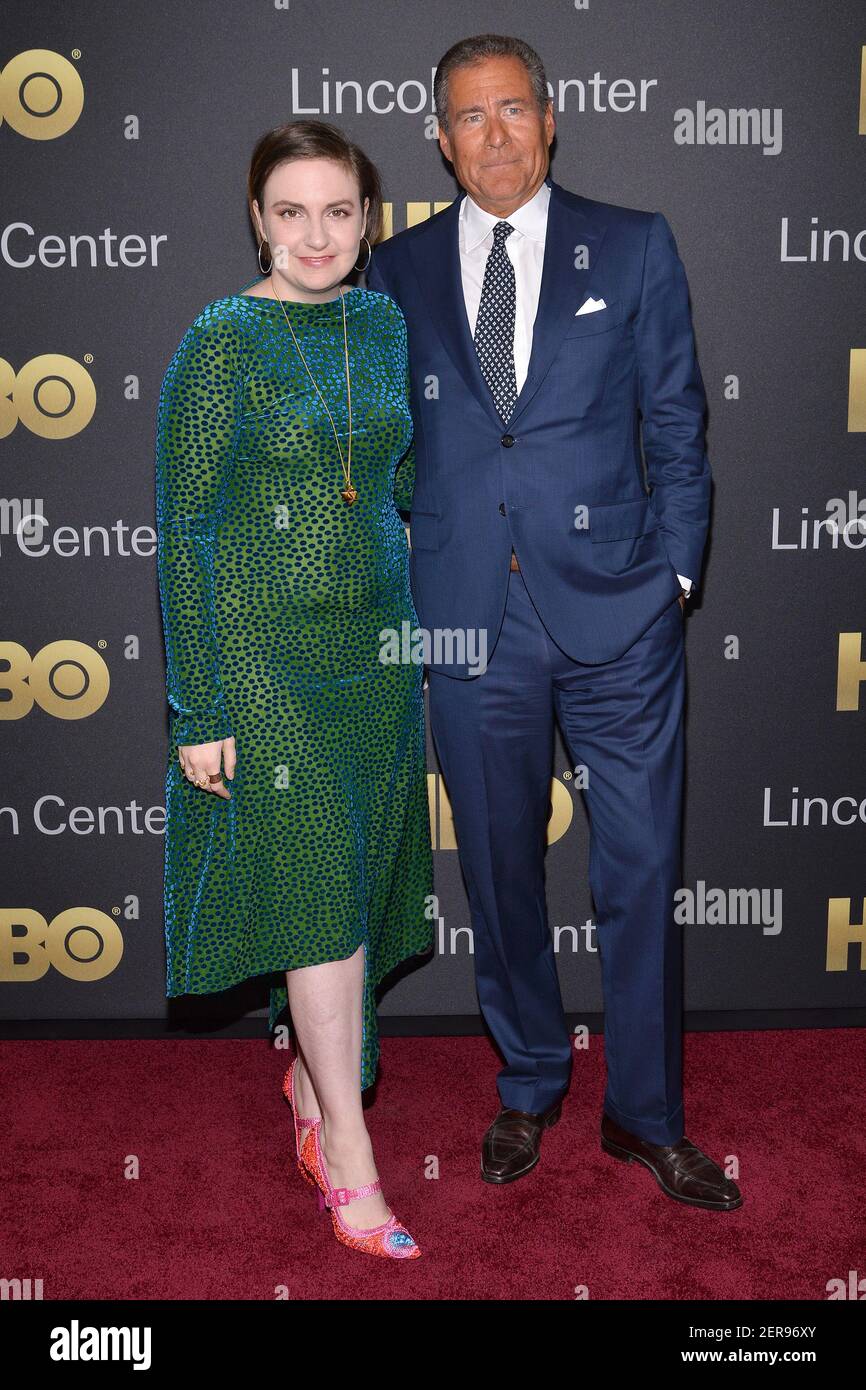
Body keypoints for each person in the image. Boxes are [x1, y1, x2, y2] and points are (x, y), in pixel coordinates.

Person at [367, 33, 742, 1210]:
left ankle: (645, 1113)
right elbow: (375, 449)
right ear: (438, 138)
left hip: (619, 612)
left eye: (512, 110)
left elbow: (675, 425)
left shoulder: (631, 244)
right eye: (467, 117)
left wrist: (674, 576)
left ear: (549, 119)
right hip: (465, 618)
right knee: (497, 867)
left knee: (638, 867)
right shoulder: (398, 268)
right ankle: (528, 1076)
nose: (492, 135)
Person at [155, 119, 433, 1259]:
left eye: (338, 211)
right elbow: (184, 534)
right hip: (264, 662)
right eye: (290, 211)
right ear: (255, 219)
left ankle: (315, 1087)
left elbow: (390, 475)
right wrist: (200, 708)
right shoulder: (220, 340)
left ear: (366, 220)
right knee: (316, 886)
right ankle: (350, 1157)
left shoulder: (380, 320)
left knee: (358, 882)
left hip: (376, 652)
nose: (316, 235)